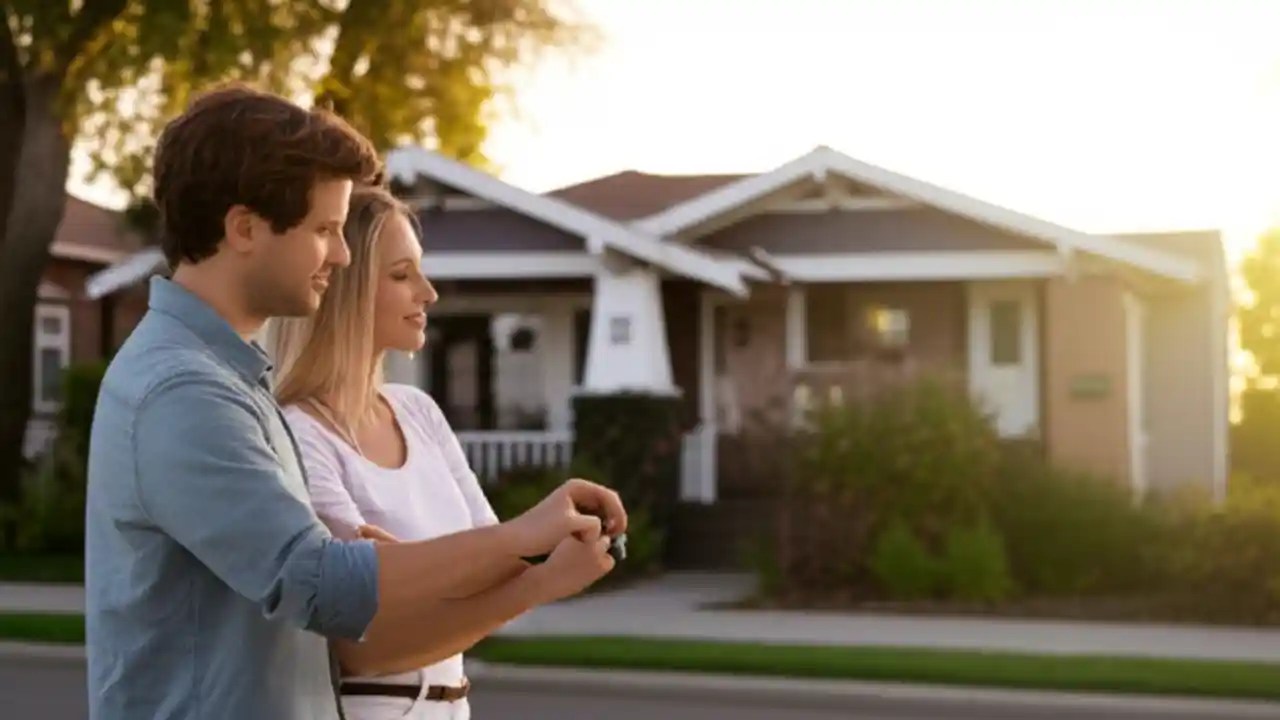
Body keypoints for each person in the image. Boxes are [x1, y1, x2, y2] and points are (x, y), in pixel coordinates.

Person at [84, 83, 625, 720]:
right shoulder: (184, 392)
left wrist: (381, 564)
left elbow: (326, 580)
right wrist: (520, 540)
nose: (339, 255)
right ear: (245, 228)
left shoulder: (227, 380)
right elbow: (316, 585)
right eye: (323, 230)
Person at [264, 184, 493, 718]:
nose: (428, 292)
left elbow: (500, 560)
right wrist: (487, 569)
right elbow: (365, 629)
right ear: (346, 291)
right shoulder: (300, 432)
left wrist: (416, 572)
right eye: (400, 274)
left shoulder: (419, 412)